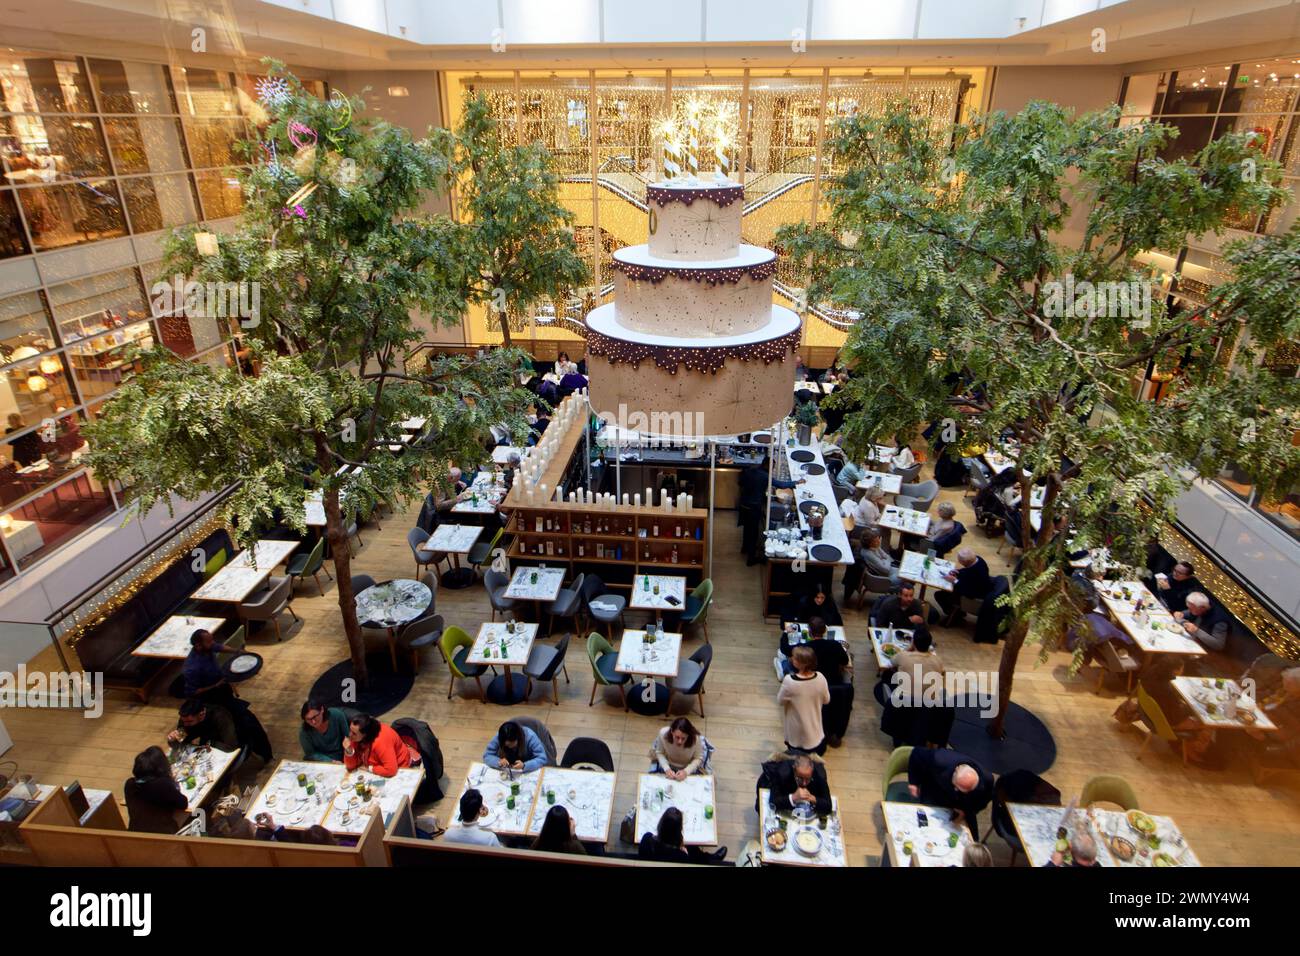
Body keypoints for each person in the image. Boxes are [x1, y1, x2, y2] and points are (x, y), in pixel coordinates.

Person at [906, 748, 993, 839]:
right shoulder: (940, 759)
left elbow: (983, 801)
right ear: (956, 770)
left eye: (963, 789)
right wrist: (913, 783)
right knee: (927, 828)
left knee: (971, 838)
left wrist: (966, 811)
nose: (956, 789)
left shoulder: (987, 779)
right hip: (936, 790)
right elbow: (916, 754)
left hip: (964, 803)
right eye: (957, 786)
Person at [738, 453, 803, 565]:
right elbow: (781, 485)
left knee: (747, 528)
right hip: (754, 507)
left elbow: (740, 482)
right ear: (768, 466)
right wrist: (796, 482)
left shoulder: (751, 470)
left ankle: (744, 549)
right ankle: (751, 559)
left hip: (744, 504)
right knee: (753, 532)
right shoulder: (764, 476)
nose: (772, 469)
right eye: (772, 467)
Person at [777, 645, 831, 755]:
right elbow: (826, 700)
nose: (791, 658)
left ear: (800, 663)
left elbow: (780, 701)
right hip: (815, 732)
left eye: (794, 657)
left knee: (796, 759)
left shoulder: (789, 681)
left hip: (796, 734)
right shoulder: (820, 677)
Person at [124, 746, 188, 833]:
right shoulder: (161, 784)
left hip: (135, 832)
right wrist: (171, 782)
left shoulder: (129, 784)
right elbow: (183, 803)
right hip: (161, 834)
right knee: (188, 814)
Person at [638, 806, 727, 863]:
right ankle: (710, 859)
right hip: (671, 859)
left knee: (692, 847)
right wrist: (685, 854)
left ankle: (708, 858)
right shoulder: (681, 856)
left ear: (661, 823)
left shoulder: (646, 838)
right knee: (692, 848)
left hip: (654, 858)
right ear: (678, 830)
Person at [760, 752, 832, 816]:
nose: (804, 783)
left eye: (808, 779)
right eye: (800, 778)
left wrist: (812, 798)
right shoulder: (781, 773)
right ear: (794, 770)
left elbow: (828, 806)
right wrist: (793, 797)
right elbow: (773, 802)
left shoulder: (820, 775)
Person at [934, 547, 992, 625]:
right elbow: (968, 570)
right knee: (945, 590)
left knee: (939, 595)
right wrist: (958, 572)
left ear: (966, 562)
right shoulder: (977, 559)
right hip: (975, 587)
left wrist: (954, 580)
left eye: (960, 561)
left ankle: (956, 616)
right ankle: (958, 612)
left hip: (974, 596)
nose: (959, 562)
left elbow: (969, 590)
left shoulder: (977, 572)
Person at [343, 714, 413, 777]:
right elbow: (350, 766)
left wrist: (370, 768)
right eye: (350, 730)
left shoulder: (381, 741)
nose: (350, 735)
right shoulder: (356, 737)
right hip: (374, 766)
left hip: (399, 768)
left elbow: (391, 770)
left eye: (354, 733)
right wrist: (349, 751)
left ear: (365, 735)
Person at [181, 628, 237, 704]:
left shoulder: (206, 647)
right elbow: (193, 692)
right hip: (207, 695)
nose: (213, 643)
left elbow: (219, 647)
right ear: (198, 646)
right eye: (210, 642)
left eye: (212, 640)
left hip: (219, 682)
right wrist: (215, 685)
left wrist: (238, 651)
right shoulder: (192, 668)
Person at [167, 698, 239, 752]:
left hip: (221, 746)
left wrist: (204, 742)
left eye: (189, 721)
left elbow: (231, 747)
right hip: (204, 748)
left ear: (201, 715)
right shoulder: (186, 719)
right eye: (183, 721)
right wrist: (172, 740)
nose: (185, 725)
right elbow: (179, 745)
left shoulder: (220, 716)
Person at [483, 720, 548, 773]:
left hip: (526, 768)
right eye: (507, 745)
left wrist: (525, 765)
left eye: (512, 743)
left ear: (518, 737)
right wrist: (498, 762)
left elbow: (542, 758)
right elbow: (487, 755)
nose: (510, 747)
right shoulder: (500, 737)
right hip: (507, 769)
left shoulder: (530, 737)